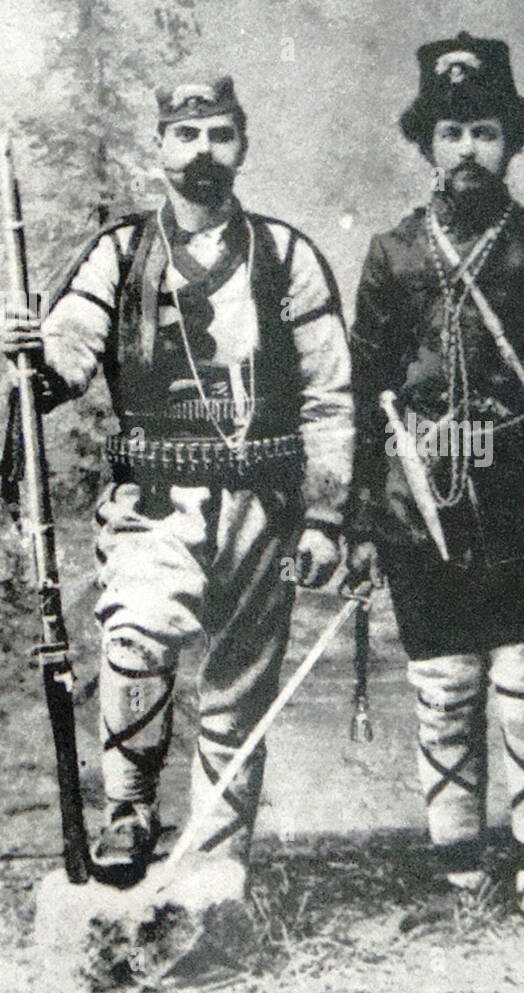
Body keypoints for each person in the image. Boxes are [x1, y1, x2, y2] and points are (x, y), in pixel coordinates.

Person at [1, 76, 354, 898]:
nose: (203, 153)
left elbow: (330, 394)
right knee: (137, 640)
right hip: (153, 501)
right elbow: (62, 366)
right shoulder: (120, 255)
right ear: (160, 147)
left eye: (220, 135)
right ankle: (127, 815)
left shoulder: (286, 255)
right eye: (186, 135)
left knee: (240, 684)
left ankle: (216, 851)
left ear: (242, 144)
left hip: (263, 502)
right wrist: (25, 349)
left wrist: (327, 515)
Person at [347, 32, 524, 934]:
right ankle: (461, 878)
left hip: (522, 507)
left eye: (486, 131)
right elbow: (360, 396)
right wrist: (361, 522)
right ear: (427, 142)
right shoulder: (389, 256)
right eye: (452, 131)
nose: (468, 150)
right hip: (422, 510)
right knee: (444, 688)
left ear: (512, 143)